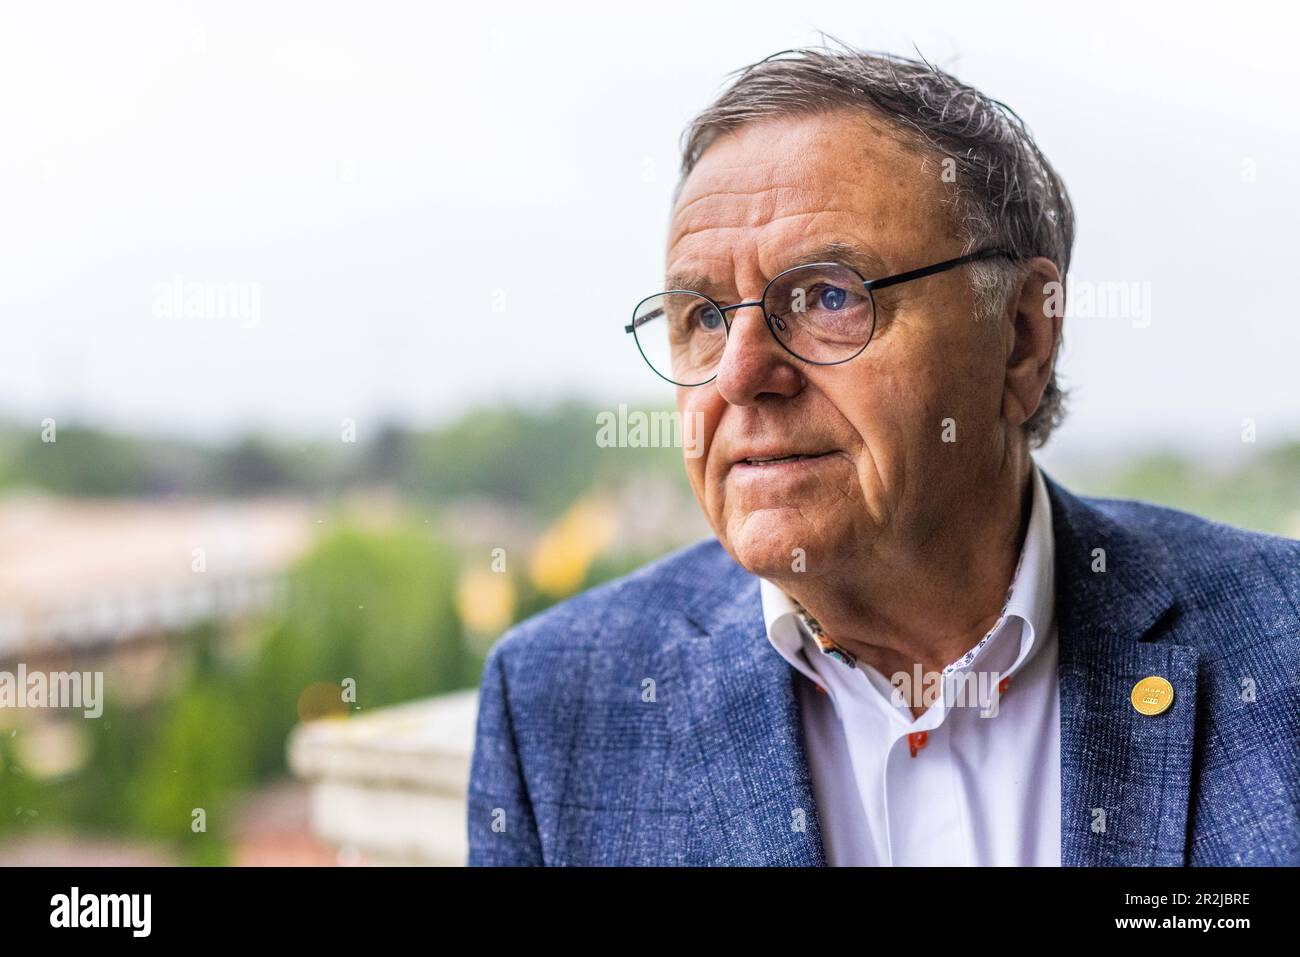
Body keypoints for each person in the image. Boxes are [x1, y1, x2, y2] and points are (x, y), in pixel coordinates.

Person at [467, 44, 1300, 866]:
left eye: (828, 296)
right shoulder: (557, 702)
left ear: (1019, 339)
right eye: (705, 317)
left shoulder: (1281, 639)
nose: (740, 375)